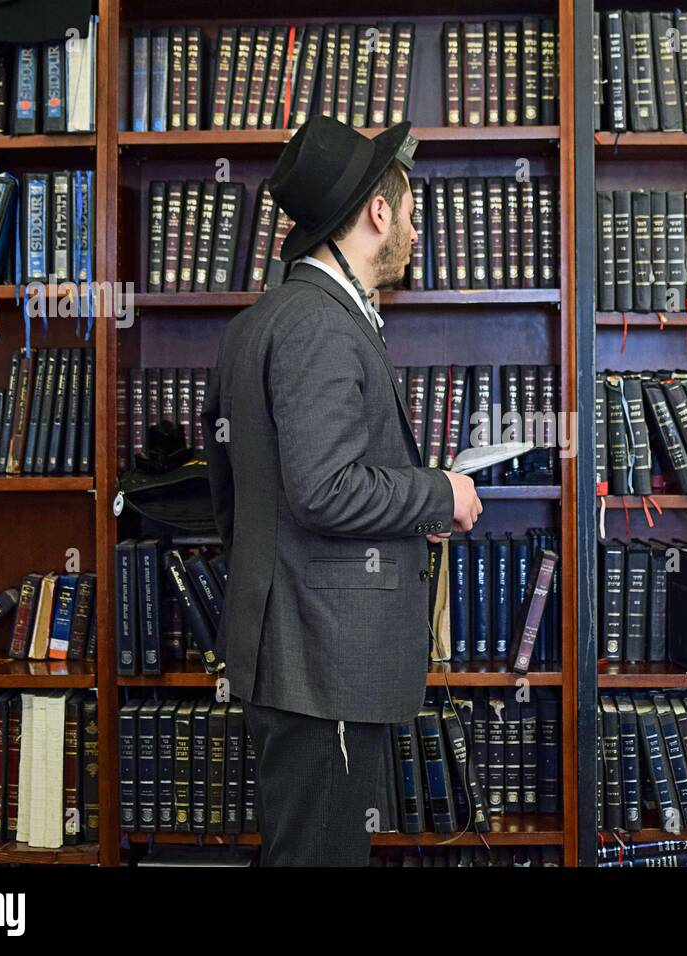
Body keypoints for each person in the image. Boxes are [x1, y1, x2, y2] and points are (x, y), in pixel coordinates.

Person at [201, 116, 482, 866]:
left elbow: (234, 501)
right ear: (378, 213)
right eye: (413, 216)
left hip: (295, 653)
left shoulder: (260, 322)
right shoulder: (322, 326)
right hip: (323, 664)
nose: (416, 236)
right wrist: (436, 494)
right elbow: (323, 490)